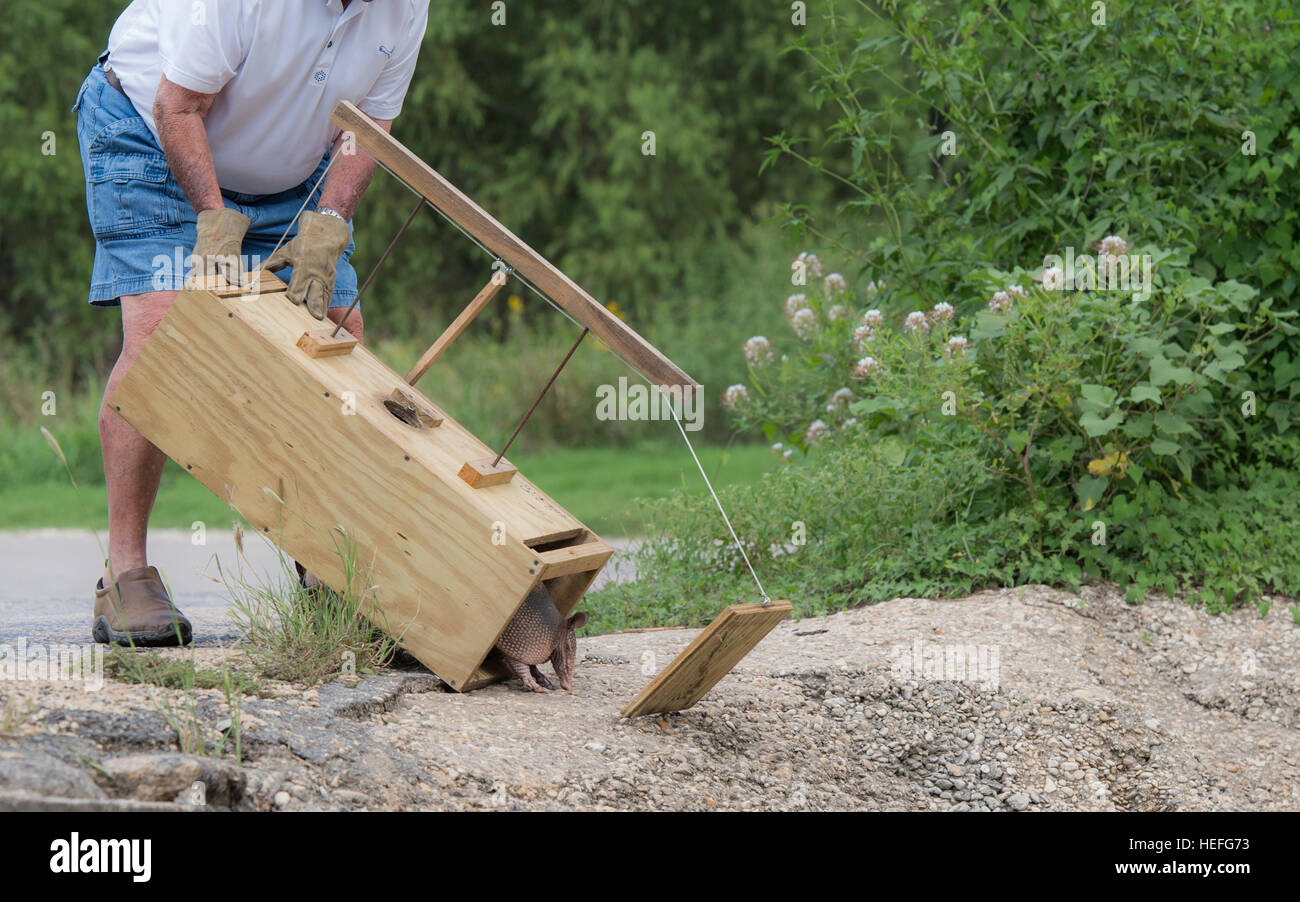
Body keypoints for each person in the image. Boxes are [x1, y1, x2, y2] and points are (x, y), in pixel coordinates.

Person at [74, 0, 430, 645]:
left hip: (292, 171)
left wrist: (332, 222)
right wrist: (215, 223)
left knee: (336, 340)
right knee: (162, 344)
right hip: (152, 136)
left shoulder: (405, 6)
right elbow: (177, 106)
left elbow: (369, 123)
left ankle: (329, 568)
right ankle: (125, 577)